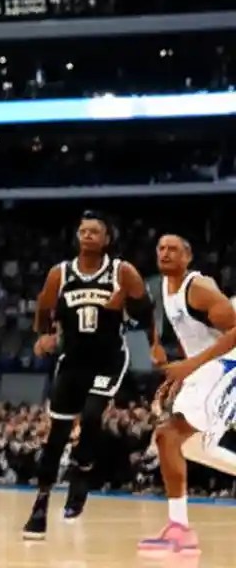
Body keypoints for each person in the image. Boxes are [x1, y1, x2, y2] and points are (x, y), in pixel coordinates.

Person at [21, 211, 159, 540]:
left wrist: (151, 339)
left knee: (93, 414)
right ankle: (41, 503)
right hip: (72, 361)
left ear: (107, 239)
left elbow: (145, 311)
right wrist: (43, 336)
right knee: (56, 436)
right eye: (83, 231)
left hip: (108, 359)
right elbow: (43, 308)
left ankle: (81, 473)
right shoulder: (60, 273)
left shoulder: (122, 272)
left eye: (94, 231)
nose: (87, 236)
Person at [136, 234, 236, 554]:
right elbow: (193, 338)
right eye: (161, 248)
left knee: (169, 436)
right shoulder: (168, 290)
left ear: (188, 257)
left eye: (173, 249)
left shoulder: (199, 288)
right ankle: (178, 528)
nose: (165, 253)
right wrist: (185, 371)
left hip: (227, 365)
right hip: (207, 367)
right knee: (192, 447)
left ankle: (180, 530)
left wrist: (191, 365)